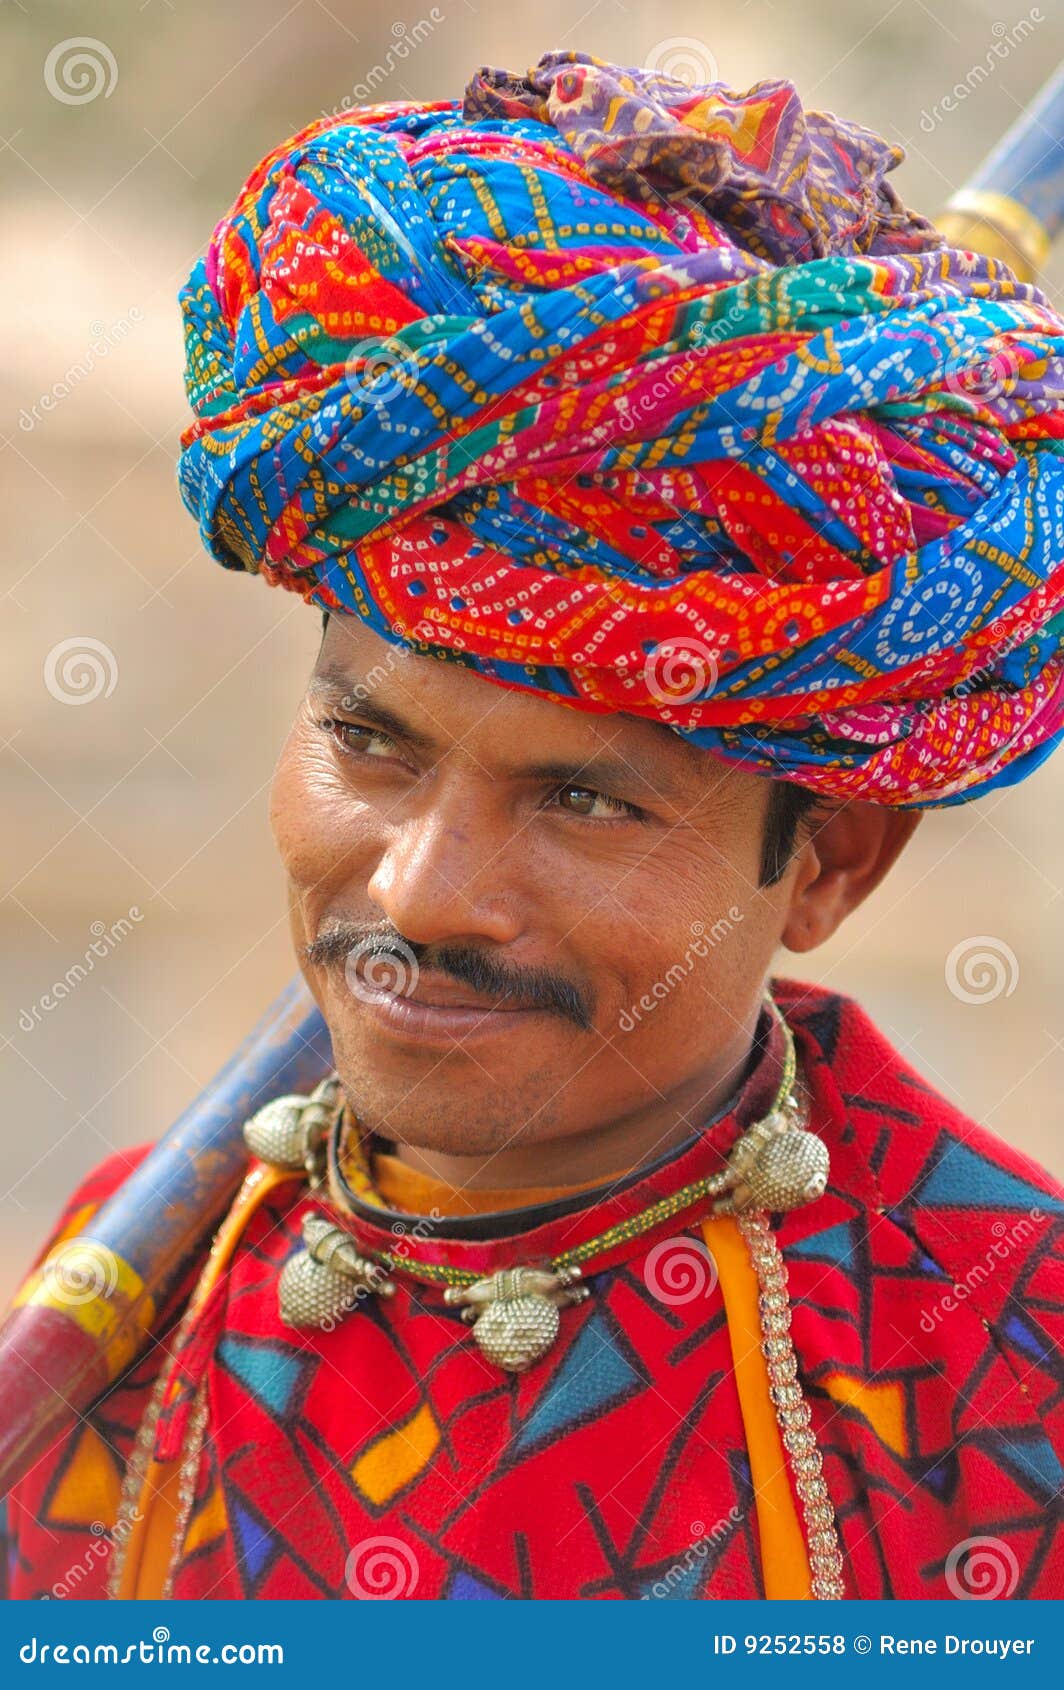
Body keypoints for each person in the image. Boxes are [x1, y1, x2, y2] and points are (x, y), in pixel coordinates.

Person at [4, 49, 1064, 1603]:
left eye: (583, 799)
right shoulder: (134, 1282)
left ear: (832, 860)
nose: (423, 893)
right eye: (370, 743)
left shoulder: (1010, 1368)